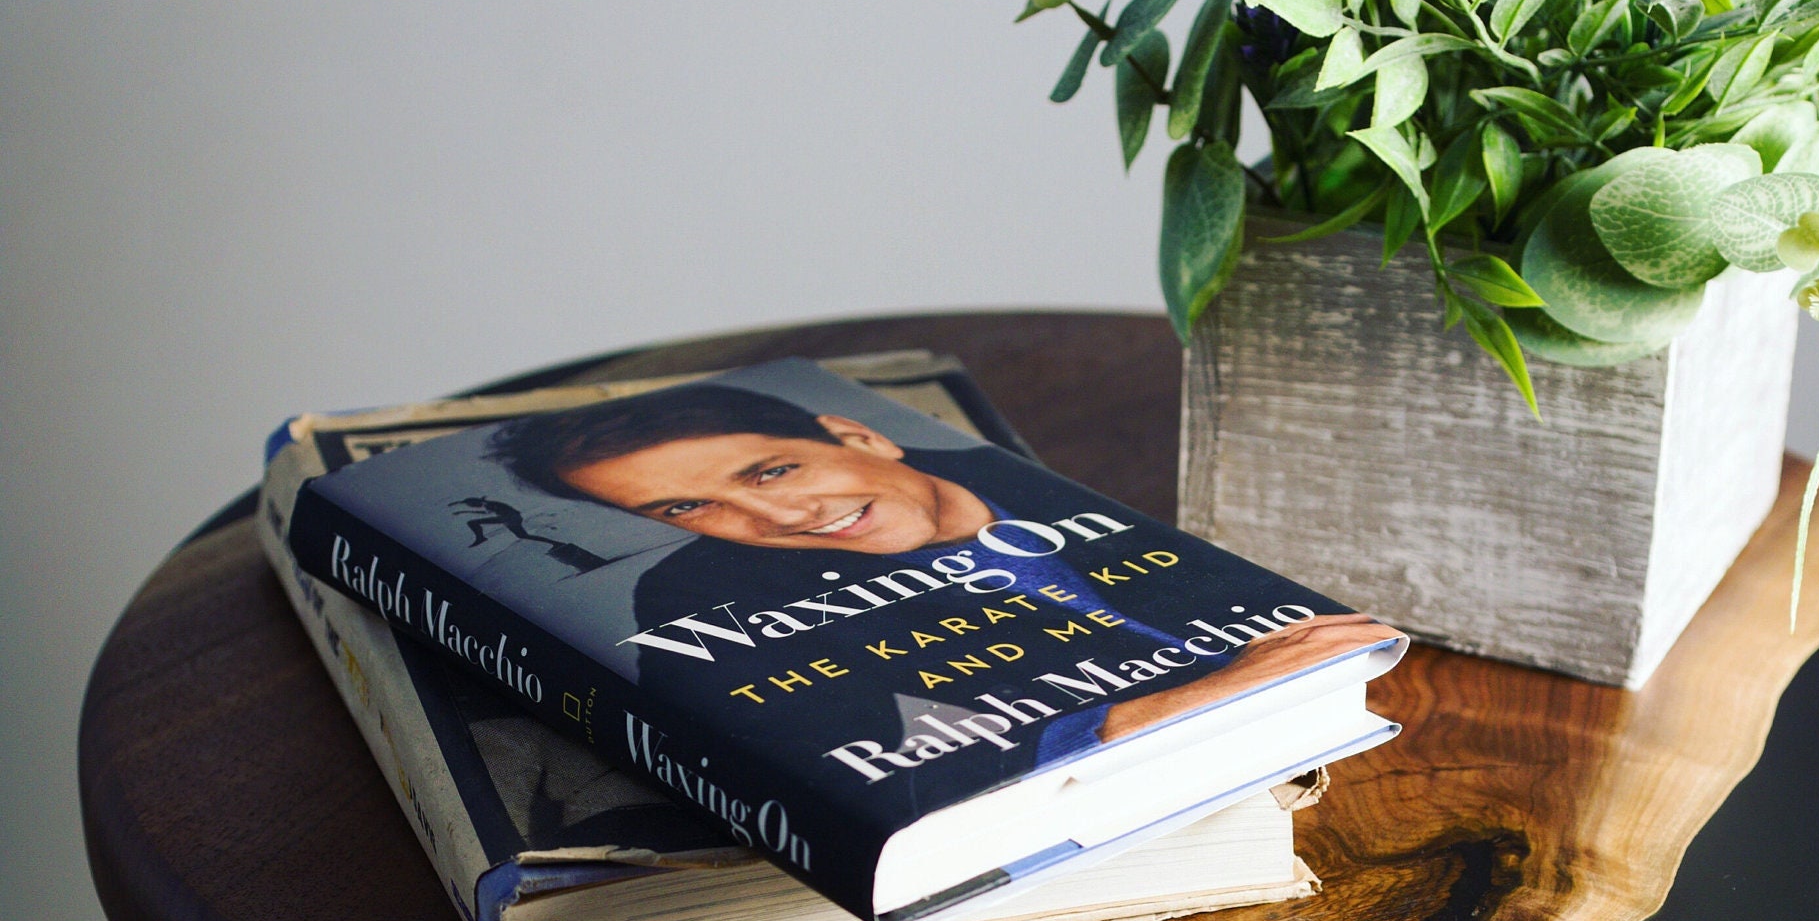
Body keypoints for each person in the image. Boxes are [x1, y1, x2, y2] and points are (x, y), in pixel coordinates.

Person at [488, 381, 1391, 755]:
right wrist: (1213, 695)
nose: (775, 519)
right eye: (684, 509)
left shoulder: (1052, 480)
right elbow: (893, 762)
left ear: (858, 435)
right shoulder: (696, 603)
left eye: (772, 471)